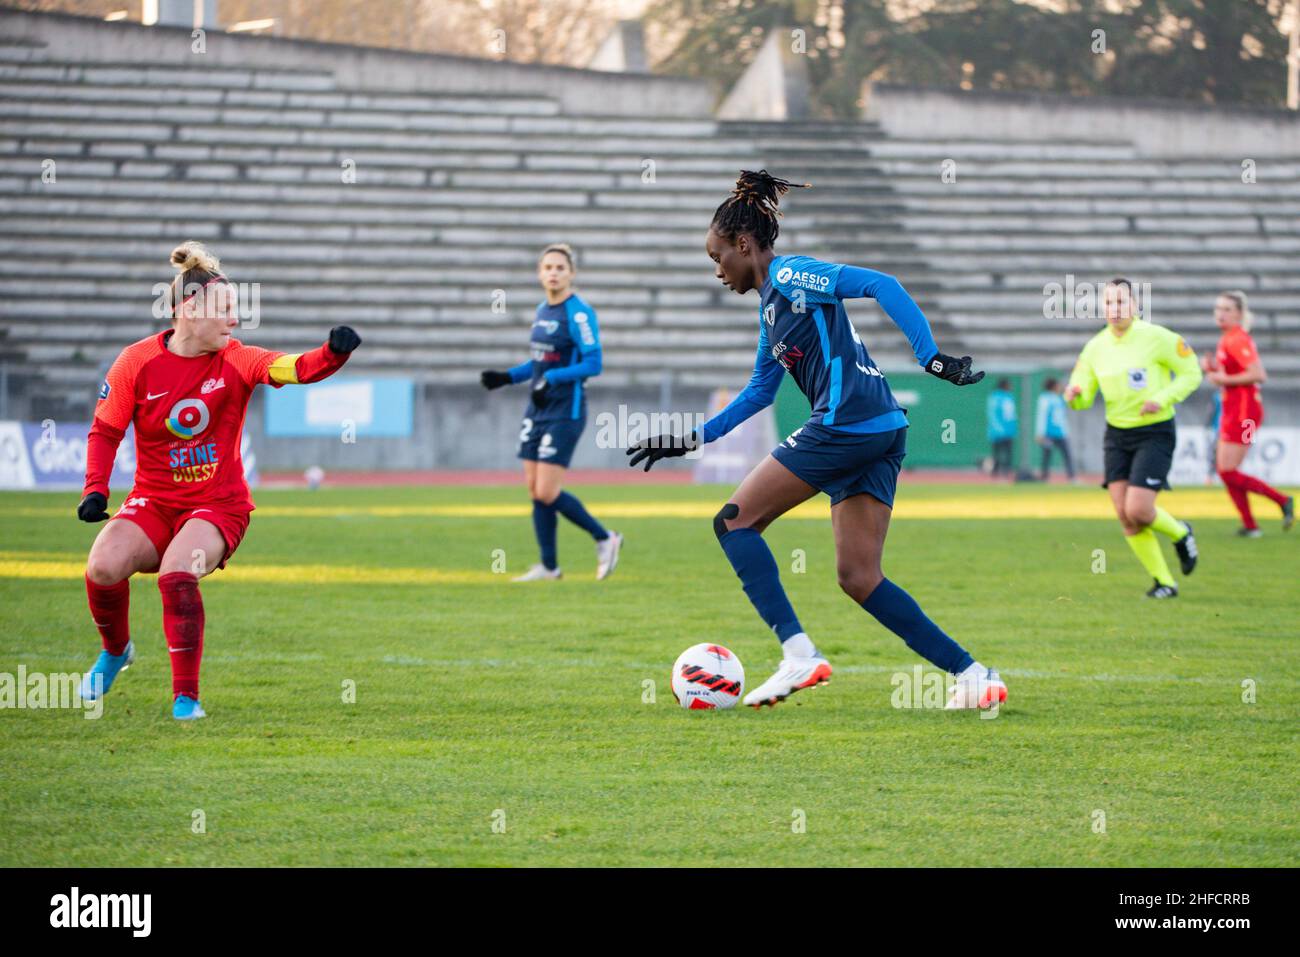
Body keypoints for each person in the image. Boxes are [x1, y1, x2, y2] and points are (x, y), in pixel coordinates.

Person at [627, 170, 1006, 711]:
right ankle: (974, 675)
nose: (717, 271)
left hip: (845, 423)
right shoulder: (771, 309)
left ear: (743, 245)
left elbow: (883, 285)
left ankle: (798, 653)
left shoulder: (793, 275)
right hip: (880, 429)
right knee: (858, 577)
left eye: (718, 257)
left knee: (734, 522)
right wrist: (691, 438)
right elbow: (759, 392)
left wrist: (930, 358)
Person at [77, 242, 361, 719]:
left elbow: (293, 368)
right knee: (102, 567)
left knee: (177, 571)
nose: (235, 322)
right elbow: (106, 430)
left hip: (218, 505)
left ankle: (186, 698)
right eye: (227, 311)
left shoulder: (237, 358)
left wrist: (332, 354)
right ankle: (116, 650)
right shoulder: (135, 362)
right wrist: (95, 489)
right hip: (154, 501)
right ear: (189, 310)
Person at [480, 243, 622, 580]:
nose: (553, 273)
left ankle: (605, 538)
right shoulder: (543, 310)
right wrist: (507, 377)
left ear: (571, 273)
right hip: (537, 408)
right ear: (539, 273)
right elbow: (542, 362)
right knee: (535, 491)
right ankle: (549, 566)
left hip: (566, 410)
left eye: (560, 267)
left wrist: (554, 379)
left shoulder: (579, 313)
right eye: (547, 268)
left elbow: (594, 363)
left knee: (547, 491)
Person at [1064, 278, 1201, 598]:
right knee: (1126, 517)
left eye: (1121, 302)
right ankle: (1164, 582)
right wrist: (1074, 395)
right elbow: (1082, 396)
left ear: (1136, 306)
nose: (1114, 309)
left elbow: (1191, 371)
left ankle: (1181, 533)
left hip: (1154, 431)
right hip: (1117, 434)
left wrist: (1164, 397)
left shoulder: (1158, 338)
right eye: (1109, 303)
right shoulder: (1095, 347)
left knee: (1139, 509)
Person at [1202, 290, 1294, 536]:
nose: (1220, 314)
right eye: (1218, 309)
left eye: (1227, 310)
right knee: (1226, 471)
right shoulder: (1227, 338)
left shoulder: (1237, 339)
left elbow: (1258, 374)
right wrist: (1213, 370)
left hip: (1246, 414)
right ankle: (1251, 525)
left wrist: (1222, 377)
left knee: (1228, 471)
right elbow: (1230, 376)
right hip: (1234, 410)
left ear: (1240, 314)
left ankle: (1281, 500)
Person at [1035, 377, 1074, 481]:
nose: (1059, 387)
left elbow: (1062, 417)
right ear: (1053, 386)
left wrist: (1066, 430)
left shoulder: (1059, 398)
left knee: (1067, 455)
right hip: (1049, 434)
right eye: (1058, 385)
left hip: (1061, 433)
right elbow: (1041, 416)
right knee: (1046, 456)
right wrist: (1040, 433)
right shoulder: (1044, 399)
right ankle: (1044, 477)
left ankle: (1071, 477)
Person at [986, 378, 1018, 477]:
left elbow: (1011, 415)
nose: (1011, 387)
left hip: (1008, 431)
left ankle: (1006, 472)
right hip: (998, 431)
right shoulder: (995, 398)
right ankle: (995, 472)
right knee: (997, 453)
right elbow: (992, 414)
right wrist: (998, 428)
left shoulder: (1009, 397)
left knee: (1007, 453)